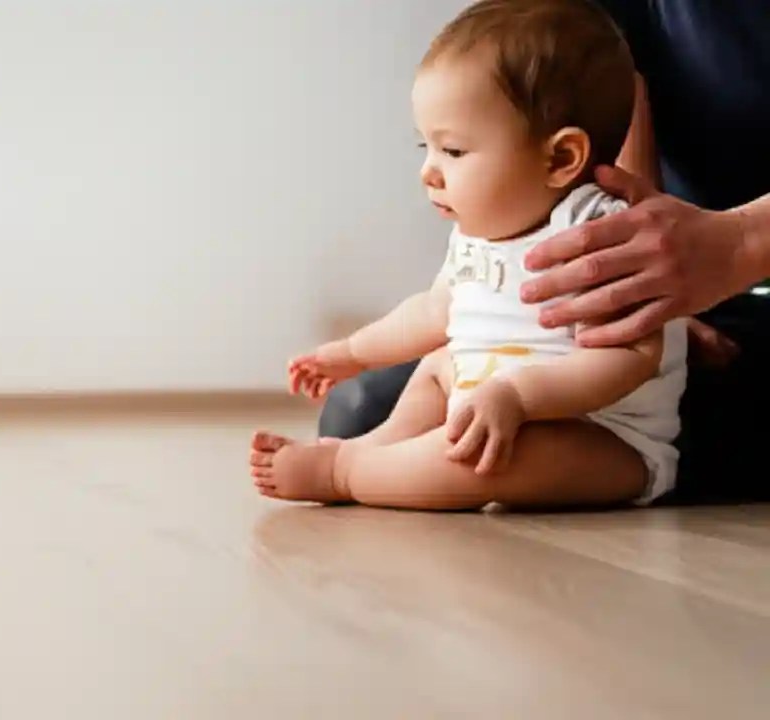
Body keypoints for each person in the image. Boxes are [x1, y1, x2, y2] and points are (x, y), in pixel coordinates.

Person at [315, 0, 770, 503]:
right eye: (427, 149)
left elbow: (628, 360)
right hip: (681, 299)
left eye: (454, 152)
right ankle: (375, 451)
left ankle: (348, 471)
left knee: (491, 455)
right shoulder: (481, 232)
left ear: (560, 157)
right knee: (368, 404)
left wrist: (740, 245)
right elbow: (435, 309)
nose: (429, 172)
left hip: (600, 423)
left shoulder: (591, 224)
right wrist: (350, 353)